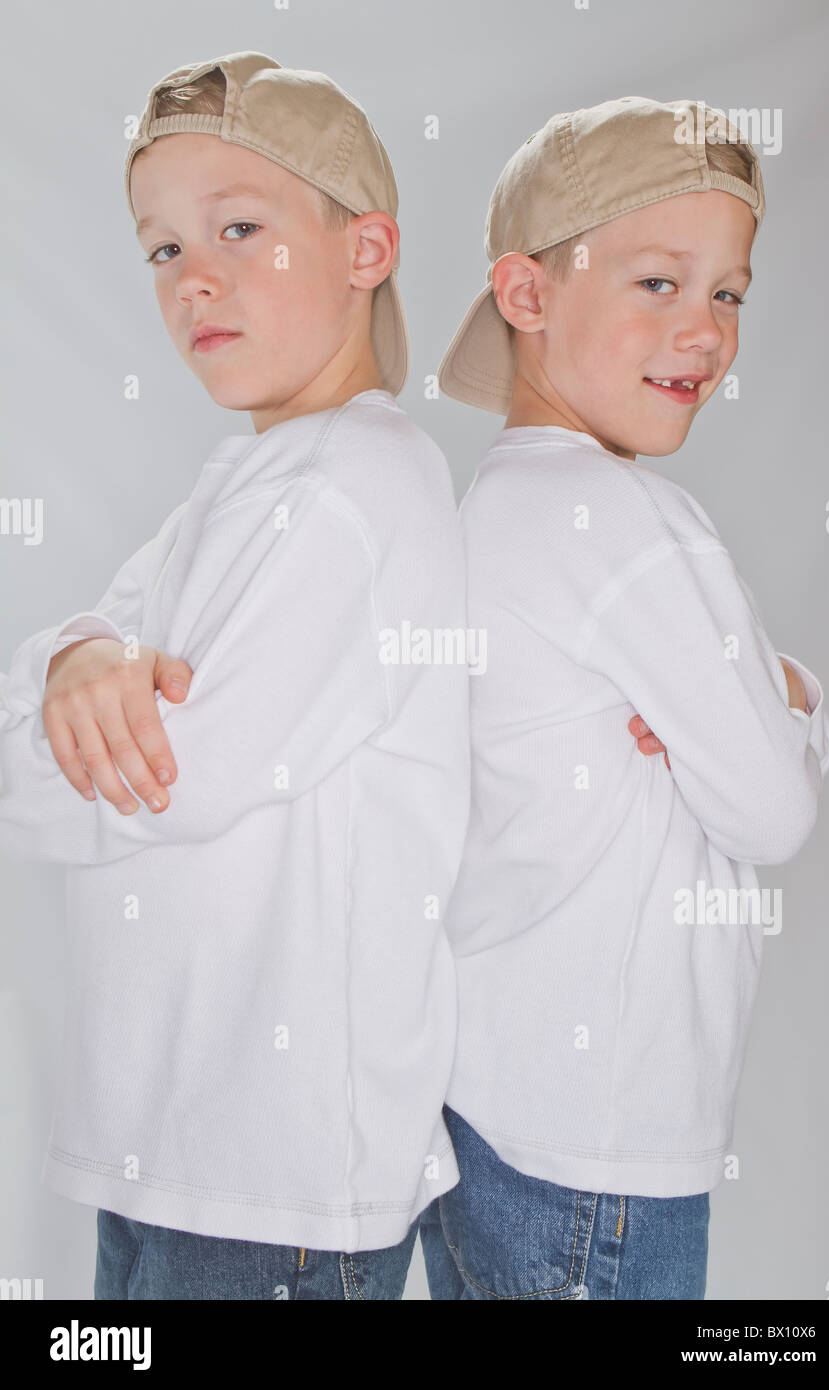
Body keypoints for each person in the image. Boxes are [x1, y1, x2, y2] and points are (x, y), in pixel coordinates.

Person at [0, 51, 471, 1300]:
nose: (190, 277)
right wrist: (81, 656)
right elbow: (59, 688)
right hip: (172, 1154)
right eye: (160, 249)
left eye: (238, 228)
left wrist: (79, 697)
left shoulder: (353, 488)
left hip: (274, 1187)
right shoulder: (244, 482)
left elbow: (161, 777)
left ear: (365, 250)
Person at [419, 96, 829, 1300]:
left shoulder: (493, 507)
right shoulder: (630, 524)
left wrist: (743, 702)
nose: (703, 332)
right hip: (594, 1148)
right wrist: (795, 693)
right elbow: (768, 811)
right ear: (526, 295)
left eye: (727, 292)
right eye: (658, 281)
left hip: (484, 1115)